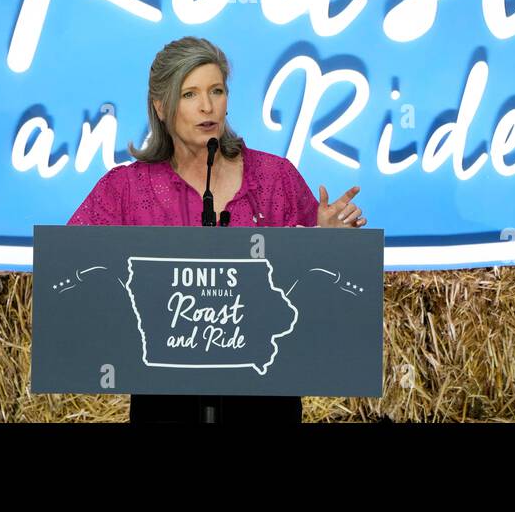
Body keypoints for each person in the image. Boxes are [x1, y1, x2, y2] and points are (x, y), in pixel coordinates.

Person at [67, 35, 366, 423]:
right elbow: (72, 274)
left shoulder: (275, 178)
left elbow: (315, 297)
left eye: (216, 90)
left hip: (265, 399)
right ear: (161, 107)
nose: (207, 106)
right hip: (165, 401)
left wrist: (326, 241)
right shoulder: (125, 189)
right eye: (189, 94)